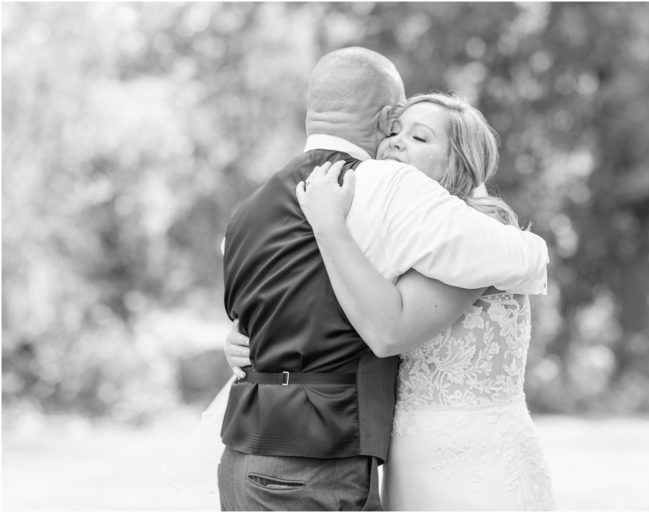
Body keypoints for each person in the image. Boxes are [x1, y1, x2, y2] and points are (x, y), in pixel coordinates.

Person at [218, 47, 549, 511]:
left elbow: (383, 327)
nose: (395, 142)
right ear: (384, 116)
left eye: (416, 136)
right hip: (333, 457)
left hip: (455, 460)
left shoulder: (251, 208)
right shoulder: (384, 196)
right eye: (396, 130)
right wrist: (242, 340)